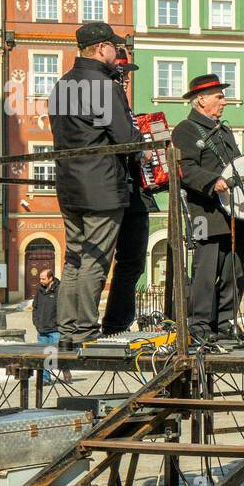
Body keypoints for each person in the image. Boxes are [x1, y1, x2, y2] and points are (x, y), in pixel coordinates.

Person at [49, 22, 142, 350]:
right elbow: (126, 139)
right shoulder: (103, 85)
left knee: (74, 257)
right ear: (102, 48)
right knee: (96, 257)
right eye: (115, 47)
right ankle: (87, 332)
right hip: (101, 184)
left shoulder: (61, 86)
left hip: (68, 184)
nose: (118, 52)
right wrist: (142, 135)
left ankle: (68, 332)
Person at [172, 74, 244, 345]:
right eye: (218, 96)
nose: (224, 101)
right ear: (200, 100)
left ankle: (225, 320)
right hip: (205, 211)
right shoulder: (186, 129)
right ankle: (200, 323)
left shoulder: (224, 130)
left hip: (233, 210)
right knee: (206, 268)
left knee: (236, 267)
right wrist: (211, 181)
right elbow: (185, 169)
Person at [101, 44, 159, 338]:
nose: (125, 79)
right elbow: (121, 142)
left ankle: (118, 322)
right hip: (116, 190)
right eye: (121, 73)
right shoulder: (107, 99)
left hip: (135, 194)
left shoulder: (123, 105)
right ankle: (112, 324)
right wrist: (144, 151)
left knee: (132, 261)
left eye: (126, 75)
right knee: (106, 260)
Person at [32, 268, 70, 383]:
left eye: (43, 278)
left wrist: (59, 324)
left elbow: (64, 308)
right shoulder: (39, 290)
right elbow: (35, 307)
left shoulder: (59, 290)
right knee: (45, 355)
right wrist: (36, 323)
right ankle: (45, 379)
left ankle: (66, 371)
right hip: (42, 329)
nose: (41, 280)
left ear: (50, 278)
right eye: (40, 278)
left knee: (57, 355)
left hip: (55, 329)